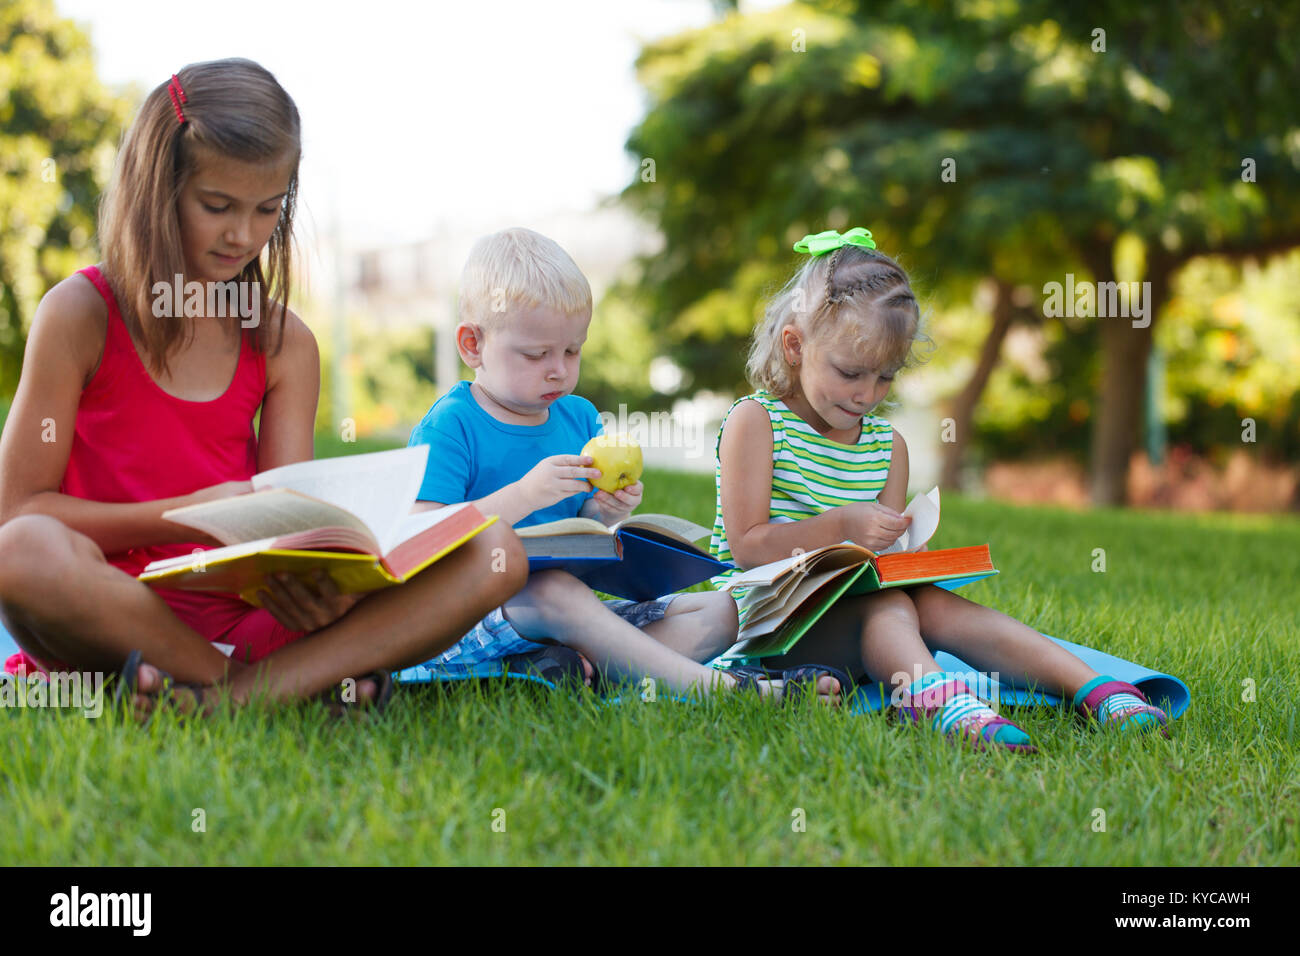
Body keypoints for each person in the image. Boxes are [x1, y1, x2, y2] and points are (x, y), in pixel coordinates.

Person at [0, 59, 526, 718]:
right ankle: (280, 689)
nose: (243, 236)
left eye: (267, 210)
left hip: (247, 624)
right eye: (216, 206)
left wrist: (318, 581)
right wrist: (190, 512)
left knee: (494, 546)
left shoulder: (282, 341)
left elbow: (287, 529)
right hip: (104, 603)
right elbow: (18, 513)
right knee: (20, 552)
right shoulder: (79, 314)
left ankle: (234, 697)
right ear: (155, 191)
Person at [710, 227, 1170, 750]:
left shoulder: (888, 446)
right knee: (892, 608)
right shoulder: (758, 422)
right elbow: (746, 547)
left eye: (885, 377)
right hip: (770, 628)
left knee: (927, 602)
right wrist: (842, 526)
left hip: (858, 620)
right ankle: (939, 703)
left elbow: (876, 567)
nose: (866, 394)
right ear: (795, 346)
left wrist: (904, 553)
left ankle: (1097, 690)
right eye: (850, 372)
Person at [408, 227, 844, 701]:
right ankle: (731, 692)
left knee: (720, 611)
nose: (559, 368)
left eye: (573, 350)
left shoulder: (578, 417)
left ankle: (560, 670)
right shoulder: (452, 424)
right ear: (472, 345)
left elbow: (577, 532)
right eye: (536, 354)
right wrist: (523, 496)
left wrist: (604, 515)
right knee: (556, 592)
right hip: (463, 623)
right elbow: (419, 538)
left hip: (567, 615)